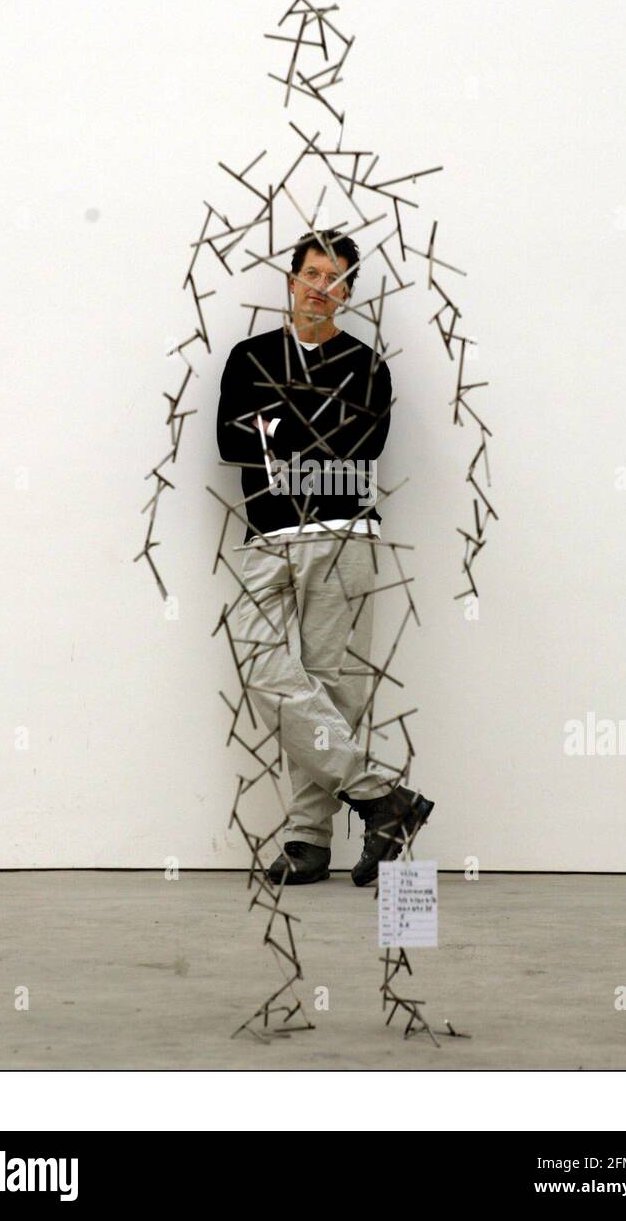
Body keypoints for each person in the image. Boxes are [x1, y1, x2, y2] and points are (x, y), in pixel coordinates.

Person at [216, 229, 434, 886]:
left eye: (336, 279)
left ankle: (308, 842)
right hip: (267, 537)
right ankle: (380, 798)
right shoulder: (249, 355)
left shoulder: (369, 365)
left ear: (348, 292)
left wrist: (277, 423)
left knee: (329, 689)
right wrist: (315, 421)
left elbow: (358, 446)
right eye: (312, 273)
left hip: (343, 536)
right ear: (291, 278)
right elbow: (231, 439)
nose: (321, 287)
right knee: (262, 669)